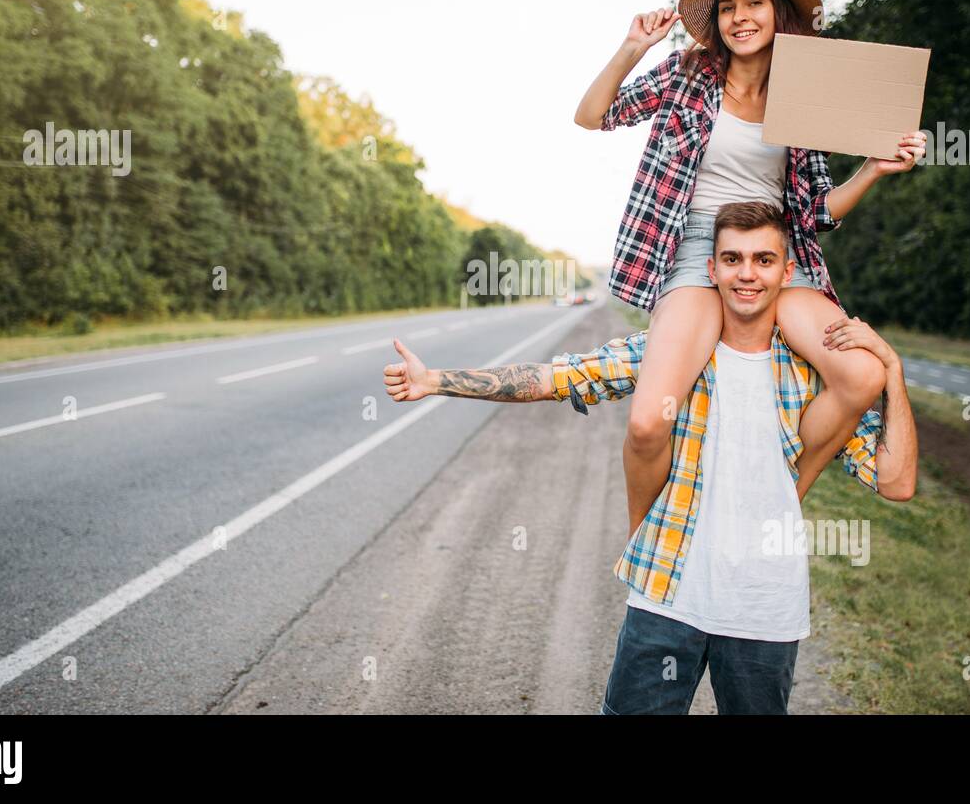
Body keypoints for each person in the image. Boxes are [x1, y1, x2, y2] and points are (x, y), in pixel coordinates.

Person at [382, 201, 918, 714]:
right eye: (732, 259)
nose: (747, 274)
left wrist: (891, 371)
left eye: (763, 259)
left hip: (764, 609)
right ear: (711, 268)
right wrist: (435, 381)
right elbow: (556, 378)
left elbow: (896, 482)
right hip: (668, 594)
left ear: (788, 270)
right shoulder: (672, 354)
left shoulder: (811, 375)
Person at [572, 0, 926, 539]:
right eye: (728, 6)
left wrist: (871, 170)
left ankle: (780, 504)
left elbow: (814, 213)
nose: (740, 17)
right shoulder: (687, 74)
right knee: (646, 425)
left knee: (863, 376)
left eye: (753, 2)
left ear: (778, 12)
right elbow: (592, 116)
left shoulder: (809, 96)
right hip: (696, 249)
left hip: (777, 255)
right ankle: (645, 543)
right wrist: (634, 47)